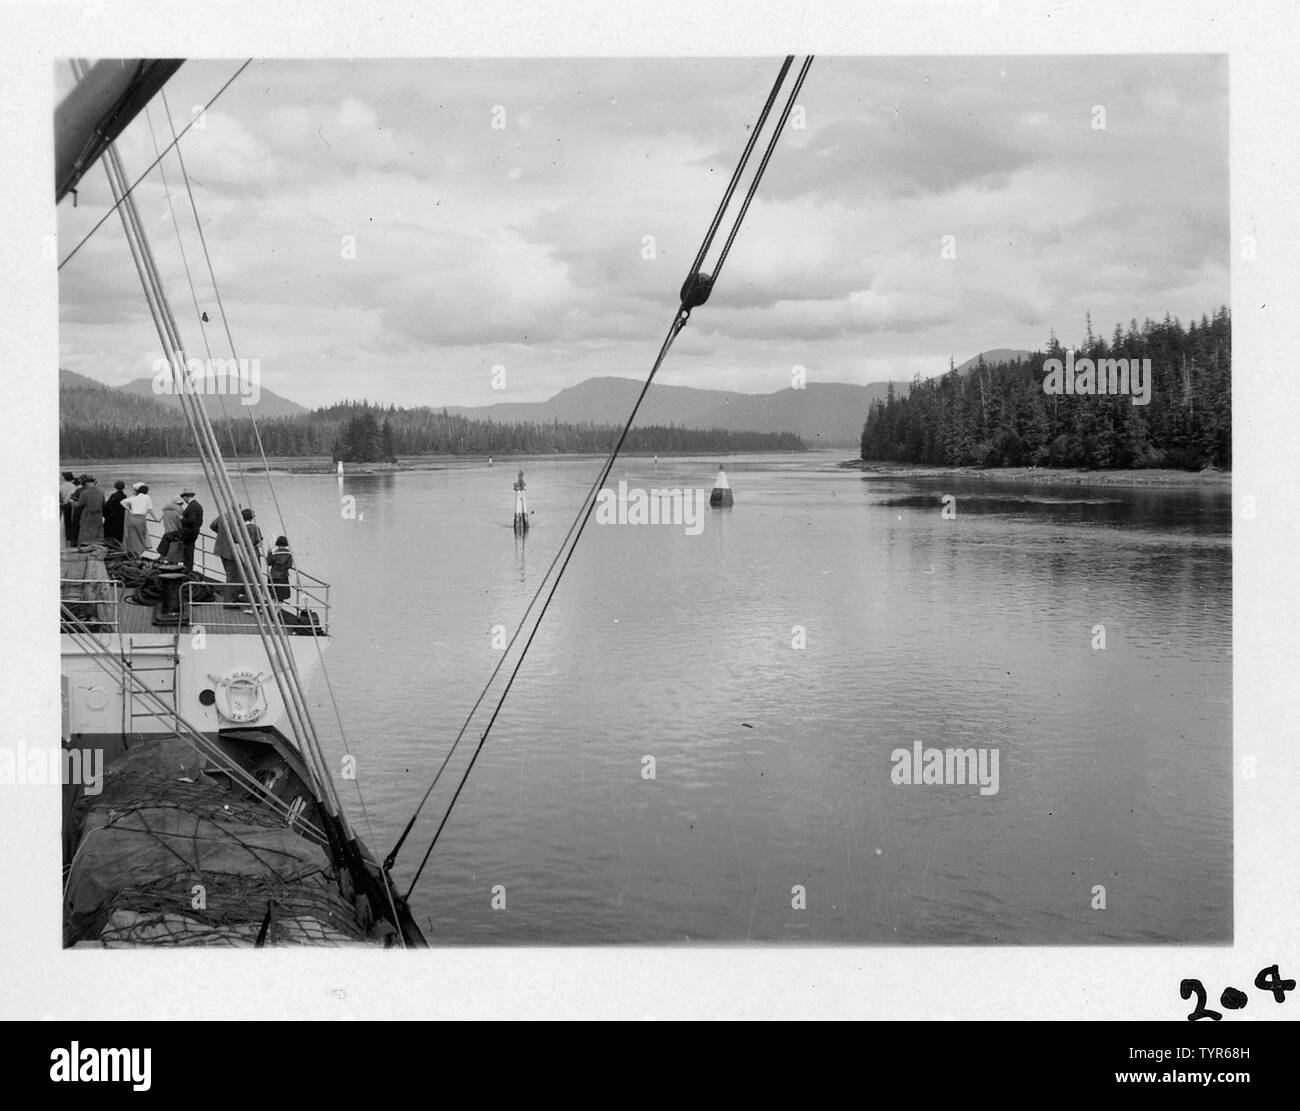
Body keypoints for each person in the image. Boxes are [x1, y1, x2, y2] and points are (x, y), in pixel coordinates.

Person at [156, 490, 203, 572]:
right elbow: (197, 521)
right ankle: (187, 569)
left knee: (168, 537)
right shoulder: (195, 506)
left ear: (185, 497)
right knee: (188, 550)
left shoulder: (192, 507)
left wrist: (183, 519)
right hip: (192, 531)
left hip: (188, 532)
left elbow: (192, 520)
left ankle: (162, 554)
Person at [121, 483, 159, 554]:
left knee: (133, 537)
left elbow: (122, 502)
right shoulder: (147, 497)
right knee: (142, 536)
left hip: (132, 518)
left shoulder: (133, 498)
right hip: (140, 519)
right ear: (146, 491)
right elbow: (150, 510)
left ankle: (134, 552)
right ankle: (142, 552)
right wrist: (156, 518)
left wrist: (128, 509)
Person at [73, 475, 106, 545]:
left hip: (88, 516)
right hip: (98, 516)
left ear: (86, 483)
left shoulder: (84, 493)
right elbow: (104, 504)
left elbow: (79, 505)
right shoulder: (101, 492)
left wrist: (72, 502)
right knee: (98, 536)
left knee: (86, 537)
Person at [158, 495, 186, 561]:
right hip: (175, 534)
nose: (181, 505)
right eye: (180, 504)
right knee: (176, 552)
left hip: (167, 533)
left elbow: (161, 520)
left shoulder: (165, 511)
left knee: (167, 551)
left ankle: (164, 559)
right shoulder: (178, 512)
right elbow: (180, 525)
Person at [267, 536, 294, 604]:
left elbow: (268, 562)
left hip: (273, 577)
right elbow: (289, 566)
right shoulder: (289, 555)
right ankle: (276, 613)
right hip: (283, 578)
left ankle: (272, 611)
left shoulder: (274, 553)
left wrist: (269, 553)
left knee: (272, 596)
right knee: (280, 598)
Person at [103, 480, 127, 545]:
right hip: (121, 518)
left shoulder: (114, 496)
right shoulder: (124, 496)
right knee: (119, 535)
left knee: (109, 534)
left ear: (115, 487)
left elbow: (107, 507)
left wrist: (105, 515)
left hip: (112, 518)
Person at [59, 472, 75, 546]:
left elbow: (59, 499)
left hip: (65, 506)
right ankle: (71, 541)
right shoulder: (74, 486)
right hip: (72, 505)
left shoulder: (61, 486)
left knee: (65, 524)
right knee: (72, 524)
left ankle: (66, 542)